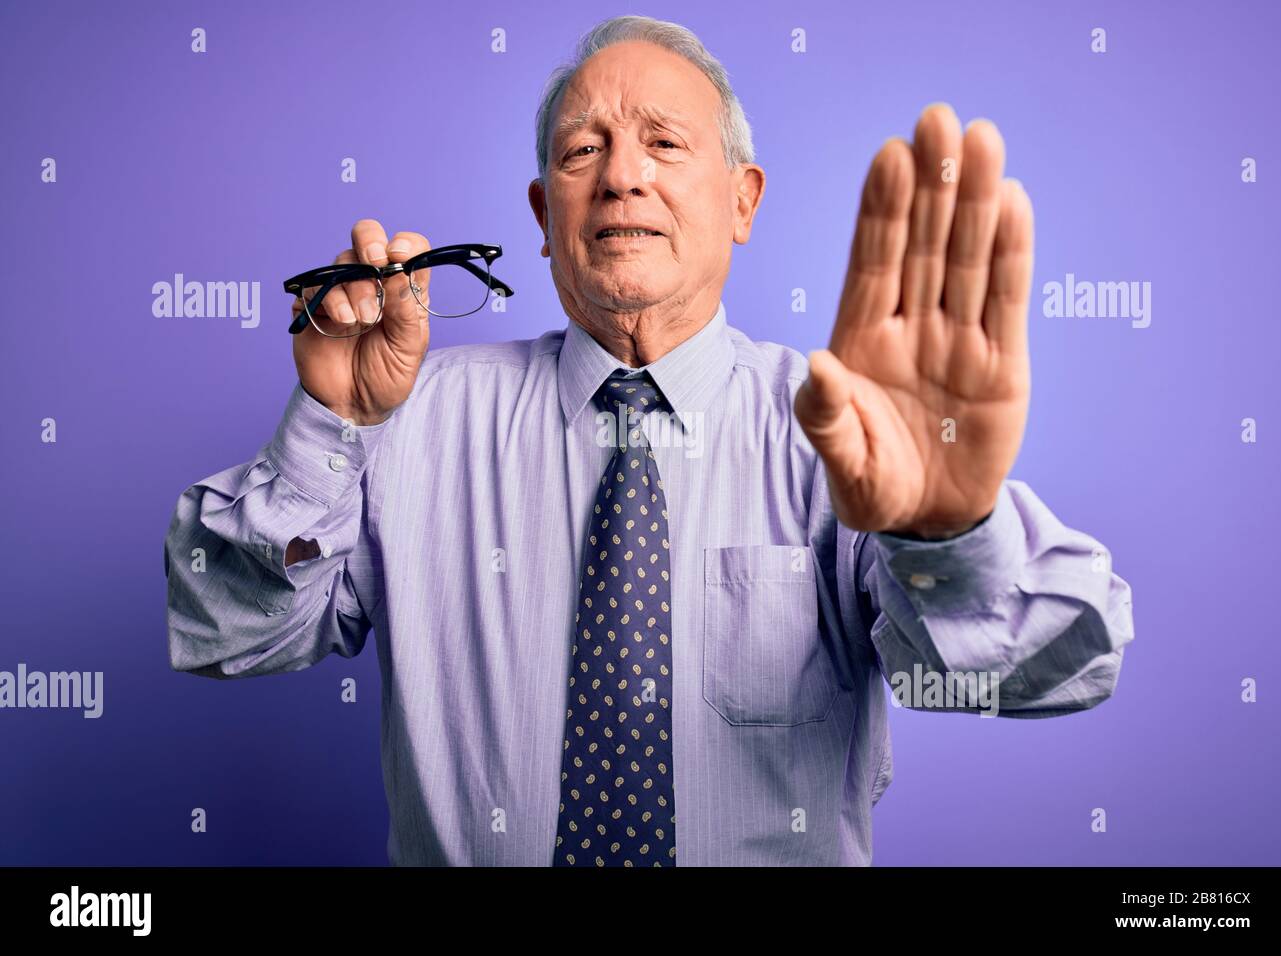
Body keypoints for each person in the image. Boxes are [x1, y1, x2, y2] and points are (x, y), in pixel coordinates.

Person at [164, 15, 1134, 866]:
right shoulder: (411, 416)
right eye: (582, 151)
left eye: (664, 142)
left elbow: (1045, 672)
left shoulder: (844, 428)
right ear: (545, 216)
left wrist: (944, 528)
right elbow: (228, 638)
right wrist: (329, 427)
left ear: (742, 199)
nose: (622, 174)